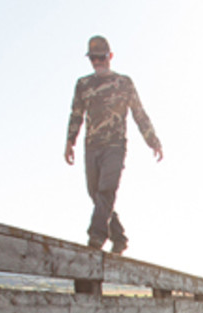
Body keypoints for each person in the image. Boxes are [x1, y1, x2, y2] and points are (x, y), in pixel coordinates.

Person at [63, 35, 164, 255]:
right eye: (93, 59)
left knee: (106, 190)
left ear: (110, 56)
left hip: (115, 146)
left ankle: (96, 237)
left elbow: (139, 113)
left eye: (101, 58)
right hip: (91, 146)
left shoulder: (123, 83)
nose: (97, 63)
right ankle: (119, 237)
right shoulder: (83, 85)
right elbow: (76, 114)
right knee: (95, 193)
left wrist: (153, 141)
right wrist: (70, 141)